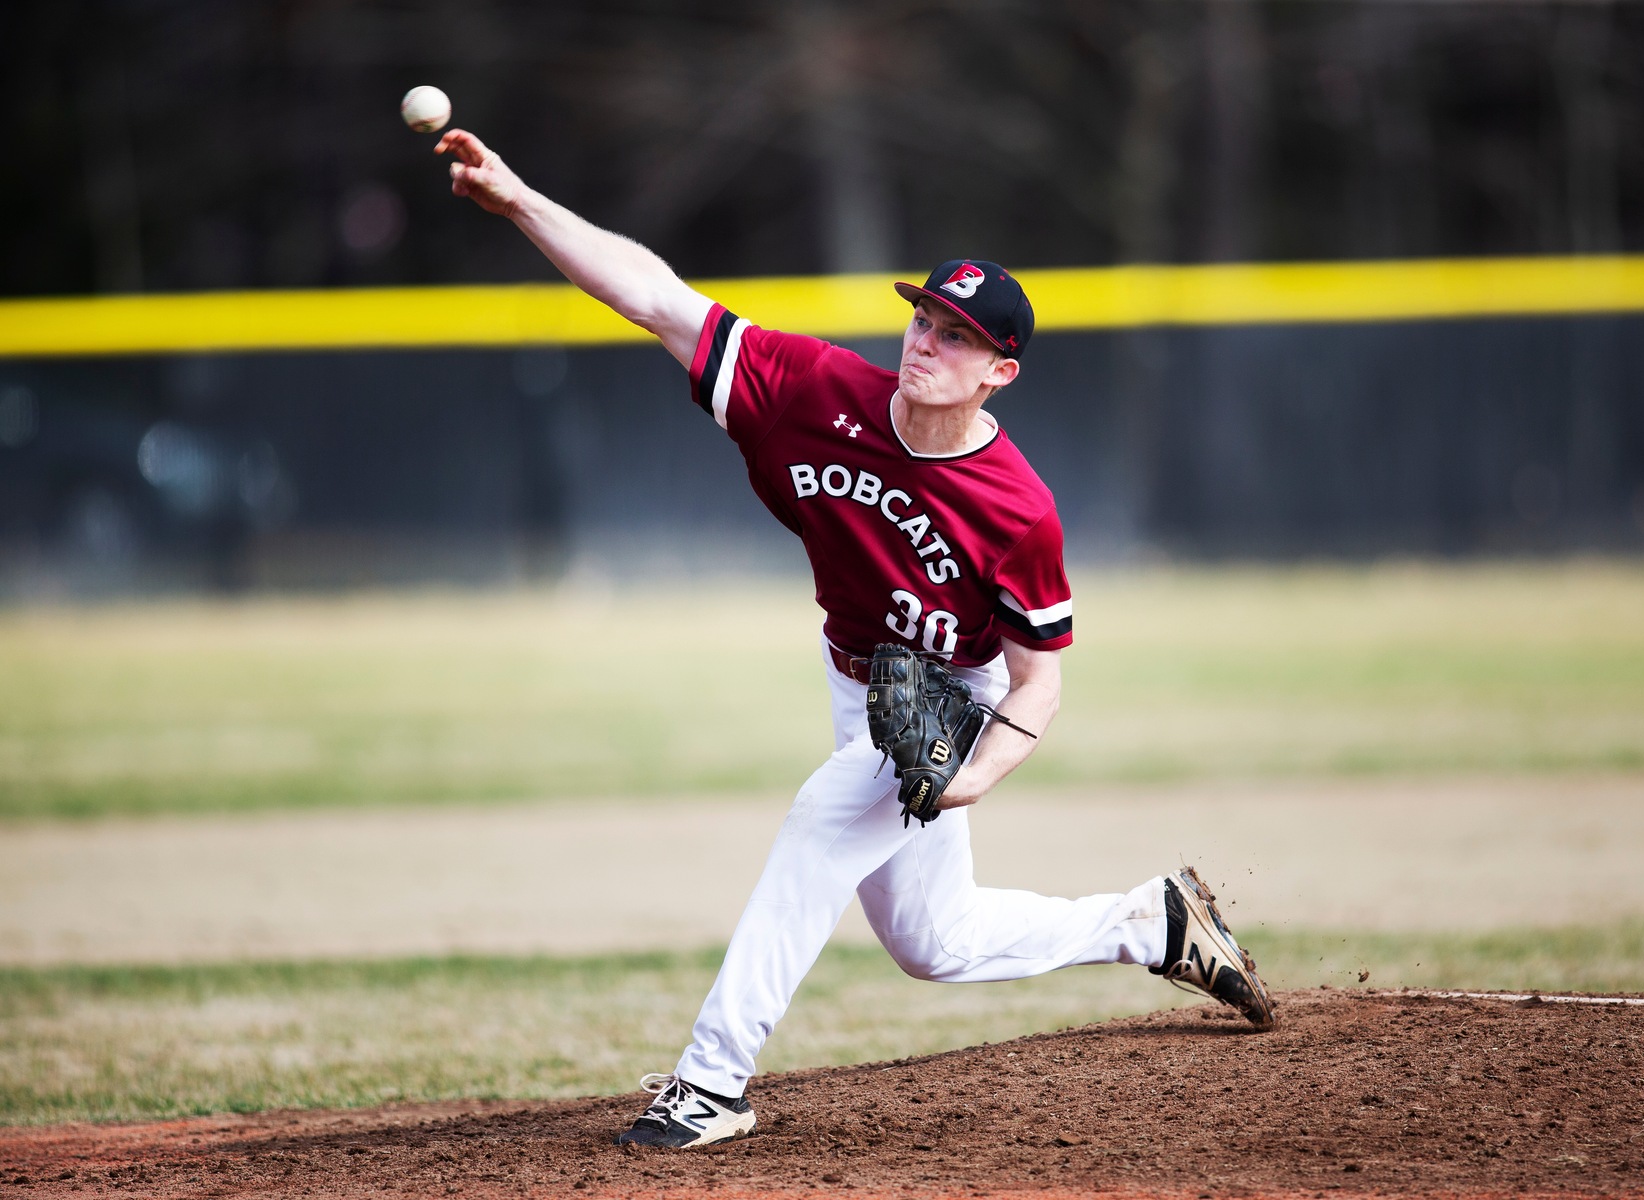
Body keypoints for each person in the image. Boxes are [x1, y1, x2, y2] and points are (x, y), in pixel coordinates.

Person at [436, 127, 1276, 1149]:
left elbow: (1039, 682)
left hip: (950, 700)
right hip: (860, 681)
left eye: (957, 336)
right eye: (924, 318)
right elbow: (656, 298)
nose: (926, 341)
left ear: (1000, 371)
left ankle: (710, 1083)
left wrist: (967, 777)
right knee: (935, 942)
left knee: (821, 824)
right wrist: (519, 198)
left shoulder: (1017, 511)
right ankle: (1152, 922)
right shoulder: (813, 393)